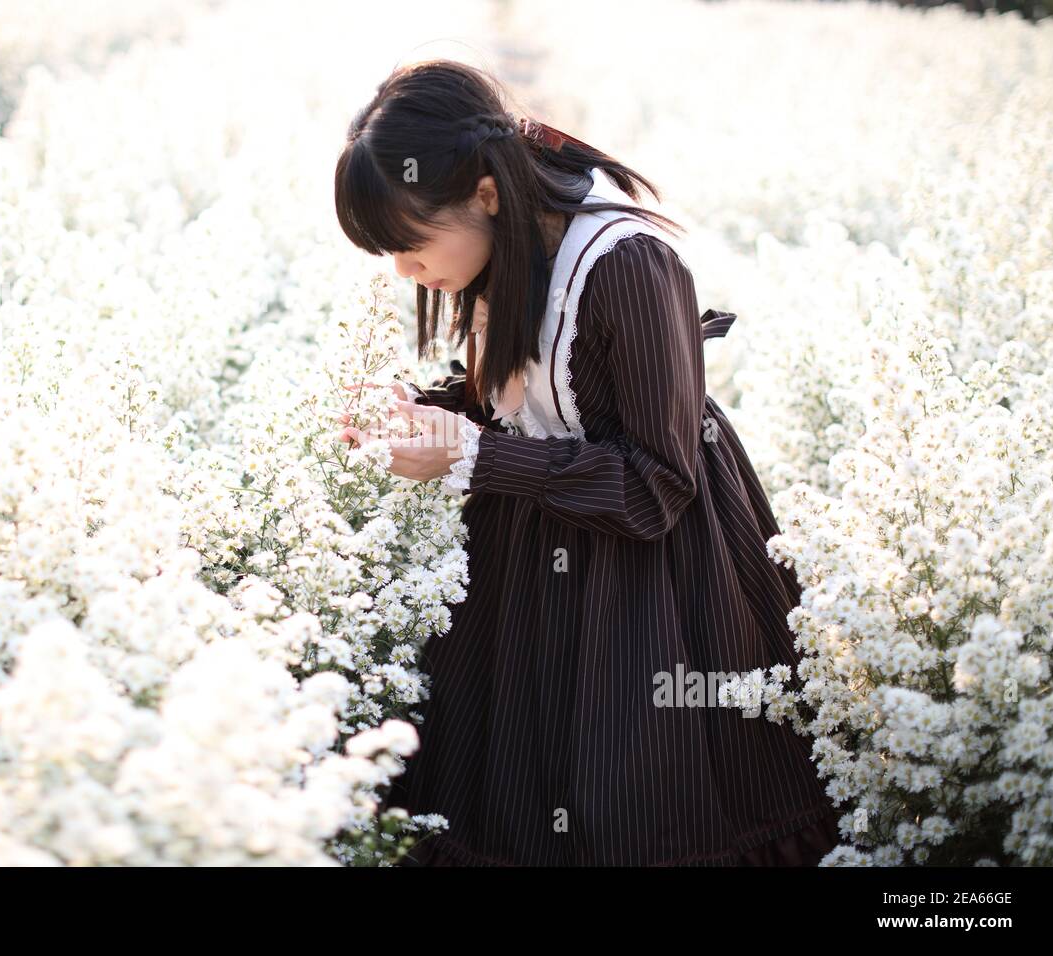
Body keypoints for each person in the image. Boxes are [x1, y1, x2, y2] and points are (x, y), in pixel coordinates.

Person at [333, 59, 840, 866]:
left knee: (634, 787)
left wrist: (473, 458)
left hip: (654, 574)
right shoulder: (505, 239)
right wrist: (431, 411)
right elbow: (522, 389)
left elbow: (656, 486)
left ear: (486, 194)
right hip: (537, 536)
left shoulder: (629, 262)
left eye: (409, 243)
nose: (403, 272)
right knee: (512, 786)